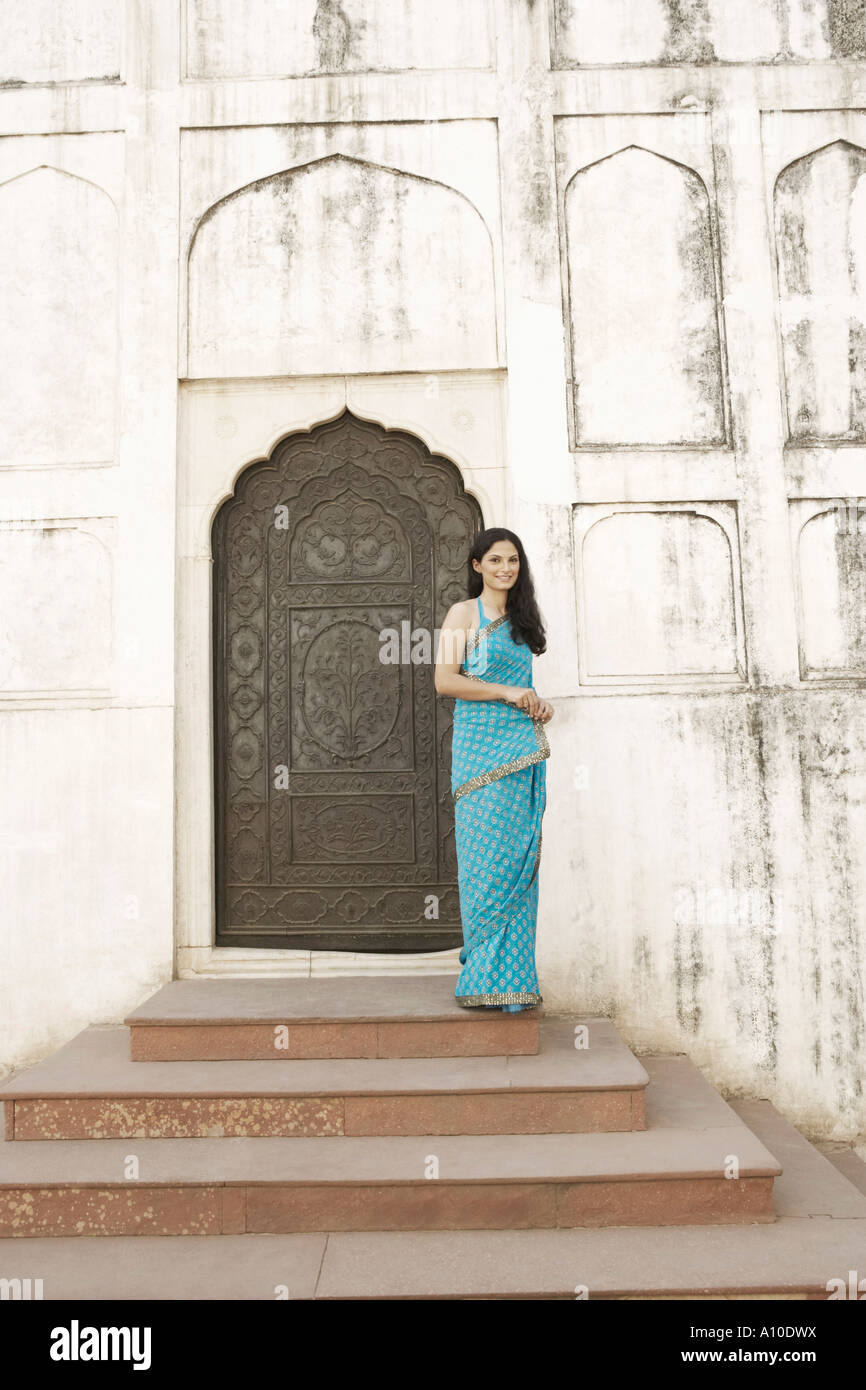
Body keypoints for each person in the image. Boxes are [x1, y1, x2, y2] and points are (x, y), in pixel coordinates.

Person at [434, 527, 554, 1012]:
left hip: (521, 748)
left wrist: (537, 705)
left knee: (518, 861)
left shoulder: (523, 619)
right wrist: (506, 693)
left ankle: (513, 983)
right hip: (479, 756)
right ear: (477, 565)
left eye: (513, 561)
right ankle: (483, 978)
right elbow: (446, 681)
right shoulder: (464, 614)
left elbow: (521, 685)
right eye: (496, 560)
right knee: (486, 862)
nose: (506, 568)